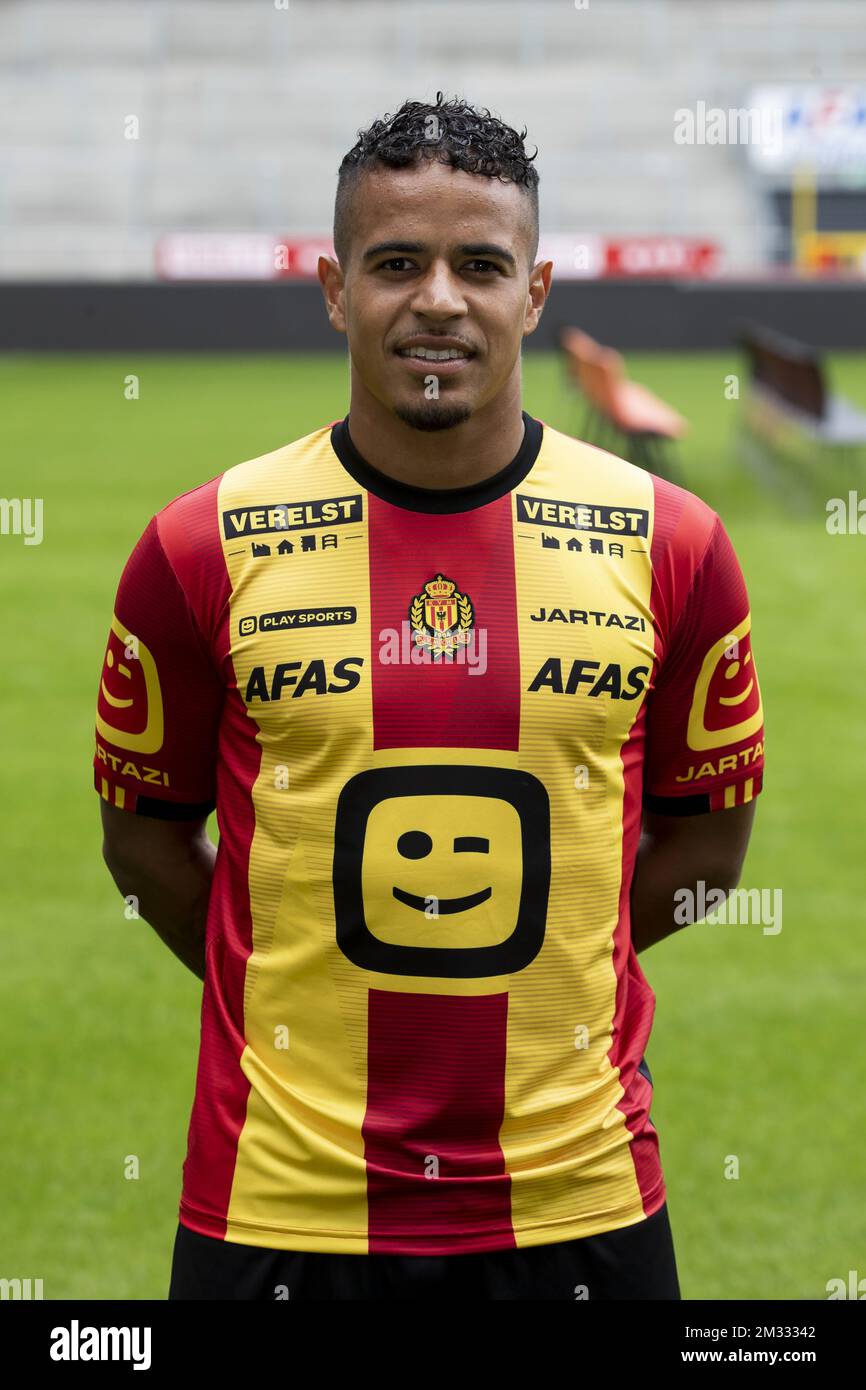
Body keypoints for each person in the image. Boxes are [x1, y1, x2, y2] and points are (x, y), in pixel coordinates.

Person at [94, 93, 764, 1301]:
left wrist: (564, 961)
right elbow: (144, 842)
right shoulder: (202, 545)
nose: (439, 300)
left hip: (580, 1200)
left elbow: (709, 842)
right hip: (277, 1206)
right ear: (333, 288)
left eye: (480, 265)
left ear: (537, 292)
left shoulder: (671, 542)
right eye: (395, 263)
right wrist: (290, 978)